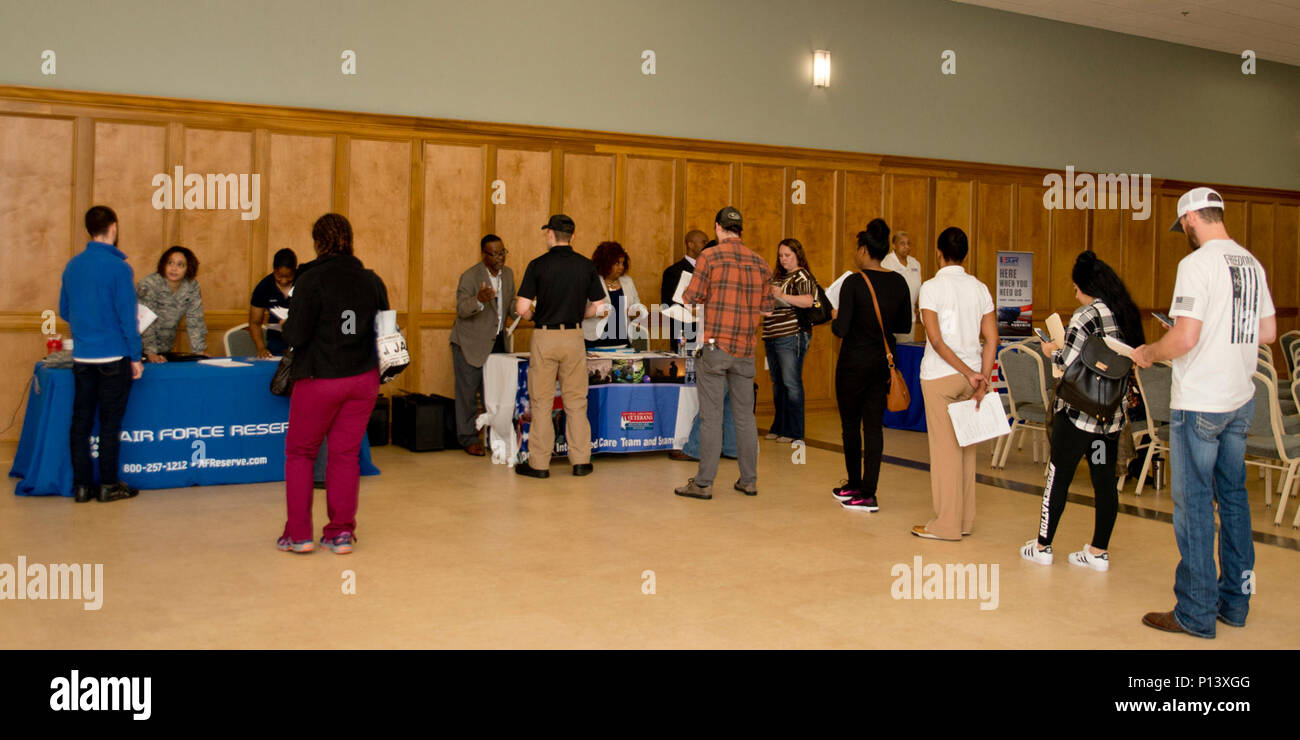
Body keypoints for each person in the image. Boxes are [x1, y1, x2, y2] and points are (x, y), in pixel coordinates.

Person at [1132, 187, 1276, 638]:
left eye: (1184, 226)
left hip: (1199, 402)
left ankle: (1195, 611)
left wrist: (1152, 351)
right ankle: (1235, 603)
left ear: (1192, 218)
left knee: (1193, 505)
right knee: (1233, 500)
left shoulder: (1195, 265)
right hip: (1239, 397)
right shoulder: (1250, 262)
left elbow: (1186, 339)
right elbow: (1268, 331)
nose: (1186, 233)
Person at [1020, 251, 1145, 570]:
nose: (1075, 294)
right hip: (1108, 421)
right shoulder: (1125, 313)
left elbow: (1066, 365)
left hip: (1075, 417)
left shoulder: (1085, 315)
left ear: (1087, 286)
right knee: (1104, 482)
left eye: (1076, 288)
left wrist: (1050, 350)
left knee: (1058, 476)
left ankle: (1043, 546)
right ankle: (1098, 551)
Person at [278, 213, 389, 555]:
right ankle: (340, 533)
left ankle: (299, 536)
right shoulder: (372, 281)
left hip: (319, 378)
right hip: (363, 379)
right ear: (349, 240)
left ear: (317, 243)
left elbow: (296, 336)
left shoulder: (311, 279)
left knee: (300, 454)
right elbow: (382, 328)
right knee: (345, 455)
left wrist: (288, 325)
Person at [674, 207, 774, 500]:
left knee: (712, 417)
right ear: (740, 229)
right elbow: (767, 309)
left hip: (715, 346)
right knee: (744, 417)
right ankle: (749, 480)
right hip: (745, 349)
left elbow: (690, 298)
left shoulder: (710, 256)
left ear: (718, 228)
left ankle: (704, 483)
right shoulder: (760, 262)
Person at [912, 227, 997, 540]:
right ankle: (964, 521)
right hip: (972, 376)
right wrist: (980, 377)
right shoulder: (980, 288)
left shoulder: (931, 288)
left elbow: (935, 339)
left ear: (938, 252)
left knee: (945, 452)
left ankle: (947, 525)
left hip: (939, 377)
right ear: (965, 253)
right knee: (966, 450)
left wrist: (967, 372)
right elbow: (992, 338)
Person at [58, 206, 143, 503]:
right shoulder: (119, 268)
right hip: (113, 357)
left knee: (80, 422)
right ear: (114, 227)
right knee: (109, 423)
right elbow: (127, 317)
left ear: (88, 229)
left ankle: (82, 485)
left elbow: (64, 310)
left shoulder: (73, 266)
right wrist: (135, 357)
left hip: (83, 357)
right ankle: (108, 484)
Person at [514, 214, 607, 478]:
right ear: (573, 236)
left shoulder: (537, 265)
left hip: (545, 336)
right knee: (576, 401)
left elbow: (522, 307)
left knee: (542, 402)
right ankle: (580, 461)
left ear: (551, 235)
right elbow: (600, 306)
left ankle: (539, 464)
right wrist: (581, 314)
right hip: (574, 337)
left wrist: (535, 317)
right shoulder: (585, 265)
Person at [831, 220, 911, 512]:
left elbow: (840, 329)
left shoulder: (854, 282)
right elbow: (903, 325)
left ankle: (856, 485)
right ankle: (868, 491)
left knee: (850, 426)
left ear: (864, 250)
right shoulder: (899, 281)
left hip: (853, 363)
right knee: (873, 428)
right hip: (883, 363)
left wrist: (837, 313)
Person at [450, 234, 516, 456]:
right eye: (495, 254)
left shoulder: (508, 275)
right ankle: (468, 438)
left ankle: (494, 437)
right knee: (468, 394)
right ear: (484, 255)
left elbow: (509, 305)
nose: (500, 258)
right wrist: (479, 299)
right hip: (470, 343)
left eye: (502, 252)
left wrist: (521, 309)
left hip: (497, 342)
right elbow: (461, 309)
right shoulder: (470, 276)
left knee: (496, 393)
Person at [762, 238, 815, 443]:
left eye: (787, 255)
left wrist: (783, 295)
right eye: (781, 255)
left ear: (797, 255)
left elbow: (808, 301)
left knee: (791, 383)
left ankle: (795, 431)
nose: (783, 259)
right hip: (772, 333)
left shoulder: (802, 275)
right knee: (778, 384)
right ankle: (780, 426)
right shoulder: (778, 277)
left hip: (791, 334)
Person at [137, 245, 207, 362]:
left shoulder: (192, 286)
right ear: (163, 264)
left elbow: (195, 320)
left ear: (188, 268)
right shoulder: (149, 284)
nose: (174, 268)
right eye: (170, 263)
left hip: (165, 349)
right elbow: (145, 322)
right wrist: (150, 352)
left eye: (180, 265)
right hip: (138, 349)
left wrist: (198, 351)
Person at [584, 241, 647, 348]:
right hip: (596, 340)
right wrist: (596, 312)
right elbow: (580, 309)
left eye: (623, 263)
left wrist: (636, 311)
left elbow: (639, 305)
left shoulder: (628, 281)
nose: (621, 267)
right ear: (605, 263)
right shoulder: (591, 280)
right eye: (617, 263)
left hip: (623, 340)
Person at [662, 229, 708, 351]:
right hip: (683, 332)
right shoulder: (673, 271)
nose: (706, 246)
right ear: (690, 244)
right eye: (703, 242)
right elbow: (667, 305)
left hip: (706, 333)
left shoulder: (709, 270)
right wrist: (692, 312)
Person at [248, 248, 297, 358]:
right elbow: (255, 323)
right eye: (279, 276)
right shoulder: (263, 287)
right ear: (274, 270)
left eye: (288, 276)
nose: (284, 281)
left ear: (295, 271)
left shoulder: (304, 282)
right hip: (276, 344)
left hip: (302, 344)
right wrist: (261, 348)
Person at [880, 230, 922, 343]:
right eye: (902, 243)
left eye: (908, 243)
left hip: (909, 318)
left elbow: (917, 287)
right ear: (894, 245)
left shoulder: (915, 264)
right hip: (889, 318)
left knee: (905, 354)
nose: (906, 247)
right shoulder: (885, 262)